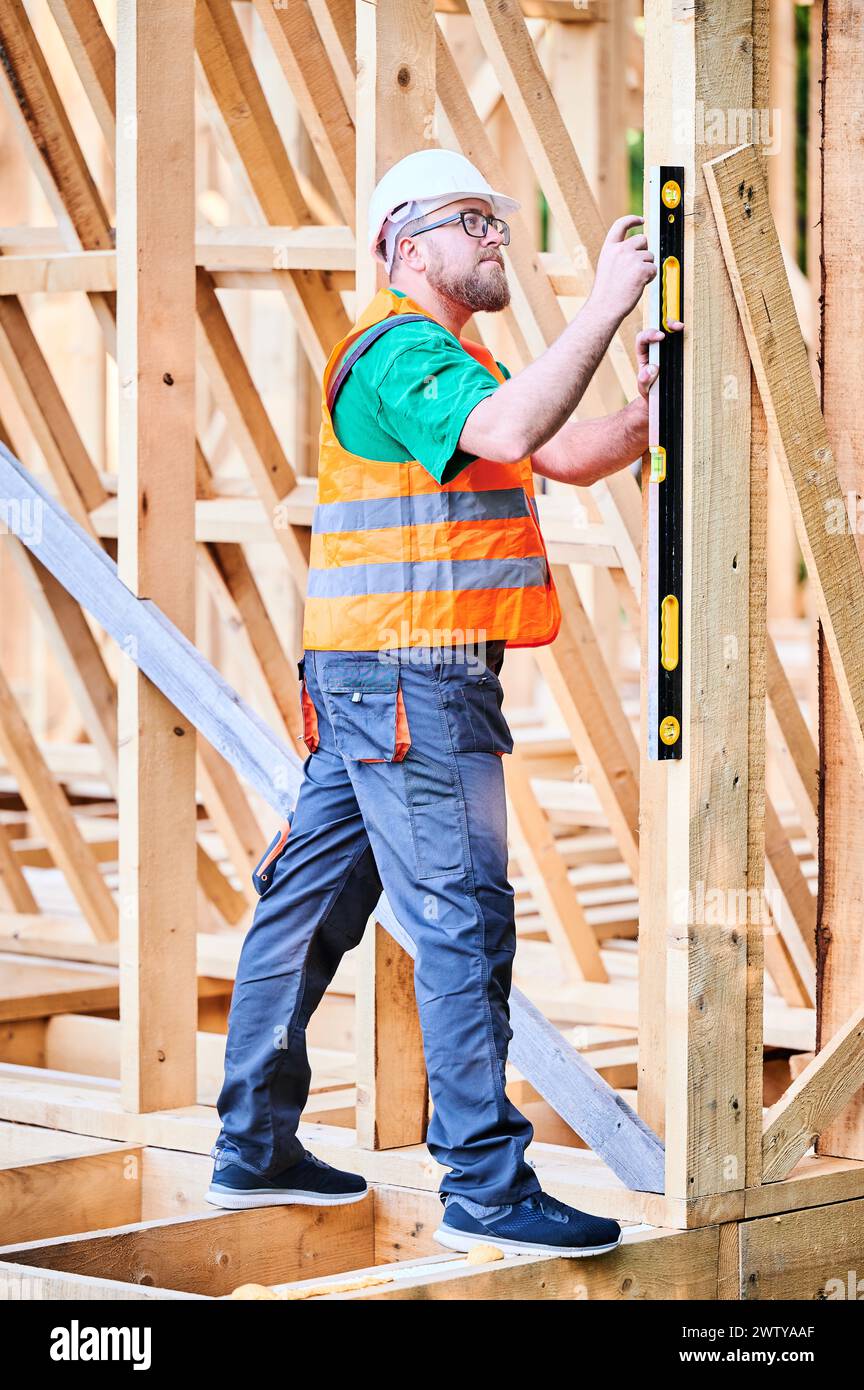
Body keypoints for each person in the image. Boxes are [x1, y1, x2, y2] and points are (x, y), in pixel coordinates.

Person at [207, 148, 683, 1258]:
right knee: (463, 919)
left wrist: (644, 414)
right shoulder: (398, 350)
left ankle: (252, 1141)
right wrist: (608, 309)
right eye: (472, 220)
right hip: (410, 682)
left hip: (378, 679)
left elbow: (556, 448)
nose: (495, 236)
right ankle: (483, 1177)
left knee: (310, 903)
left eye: (498, 218)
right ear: (405, 246)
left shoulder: (455, 357)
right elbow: (516, 432)